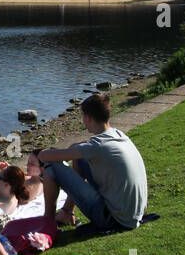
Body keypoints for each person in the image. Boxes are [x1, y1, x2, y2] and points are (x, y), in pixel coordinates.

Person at [37, 93, 148, 232]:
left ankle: (47, 224)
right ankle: (66, 212)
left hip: (114, 219)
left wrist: (54, 152)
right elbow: (82, 149)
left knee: (51, 166)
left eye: (83, 116)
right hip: (132, 215)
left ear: (88, 118)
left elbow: (43, 156)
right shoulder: (118, 134)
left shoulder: (96, 146)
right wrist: (71, 149)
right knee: (80, 158)